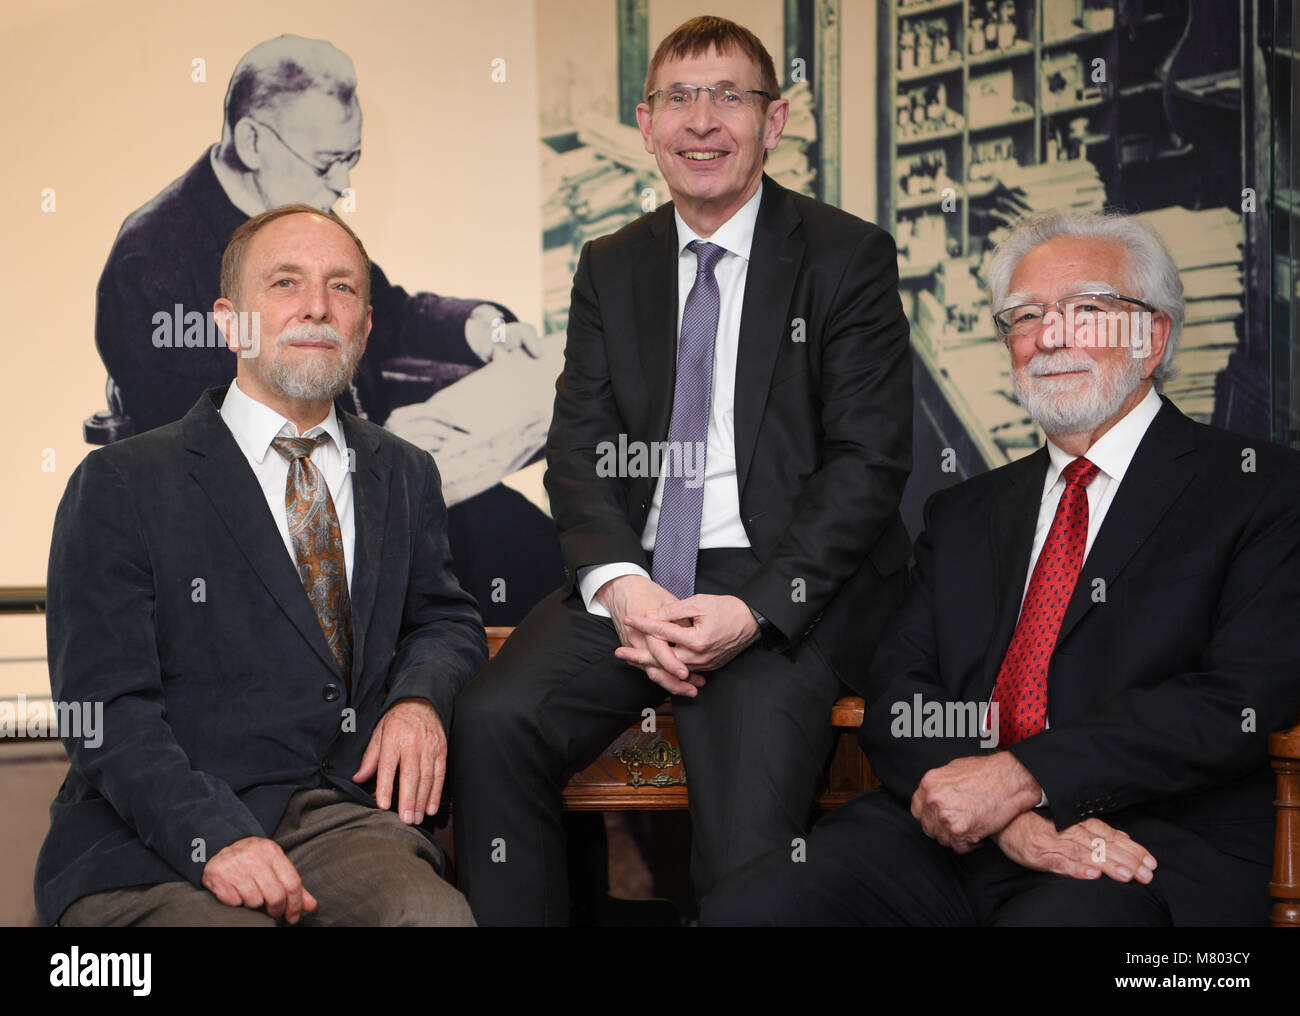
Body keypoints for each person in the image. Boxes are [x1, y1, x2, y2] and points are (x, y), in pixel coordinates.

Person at [702, 208, 1300, 926]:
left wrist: (1025, 778)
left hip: (1142, 844)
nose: (1050, 336)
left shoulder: (1259, 490)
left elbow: (1236, 699)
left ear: (1151, 336)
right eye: (1024, 316)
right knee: (753, 910)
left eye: (1086, 310)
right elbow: (901, 686)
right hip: (948, 838)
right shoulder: (964, 513)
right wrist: (997, 814)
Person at [450, 16, 913, 925]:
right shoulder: (610, 264)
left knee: (746, 835)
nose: (702, 122)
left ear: (773, 121)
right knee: (495, 720)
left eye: (728, 97)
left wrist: (758, 606)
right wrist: (623, 587)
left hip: (783, 585)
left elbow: (869, 463)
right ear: (647, 121)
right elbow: (578, 449)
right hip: (646, 572)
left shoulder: (846, 256)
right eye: (679, 99)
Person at [36, 205, 487, 926]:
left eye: (342, 288)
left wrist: (418, 699)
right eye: (285, 283)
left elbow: (445, 618)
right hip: (153, 839)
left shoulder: (405, 473)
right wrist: (213, 837)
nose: (316, 306)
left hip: (341, 824)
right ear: (228, 321)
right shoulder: (122, 483)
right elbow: (105, 713)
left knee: (435, 920)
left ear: (365, 325)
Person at [92, 34, 562, 623]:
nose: (342, 185)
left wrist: (486, 330)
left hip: (378, 471)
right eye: (327, 164)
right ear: (254, 141)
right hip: (262, 534)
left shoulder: (293, 202)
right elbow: (201, 454)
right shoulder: (152, 259)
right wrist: (368, 450)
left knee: (555, 566)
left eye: (351, 160)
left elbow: (389, 309)